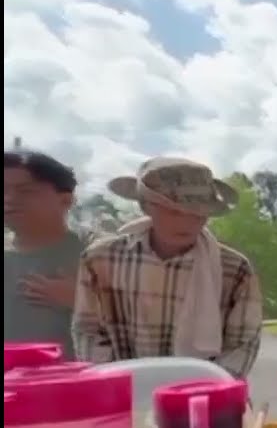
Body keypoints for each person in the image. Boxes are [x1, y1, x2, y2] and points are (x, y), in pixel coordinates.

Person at [72, 157, 263, 378]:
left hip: (205, 394)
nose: (186, 223)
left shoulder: (234, 269)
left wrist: (209, 388)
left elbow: (242, 344)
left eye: (197, 213)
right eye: (173, 211)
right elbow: (87, 331)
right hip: (121, 392)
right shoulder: (101, 259)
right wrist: (113, 382)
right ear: (146, 206)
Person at [4, 150, 83, 358]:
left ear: (66, 200)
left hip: (76, 385)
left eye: (25, 191)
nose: (9, 199)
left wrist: (83, 302)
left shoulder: (99, 256)